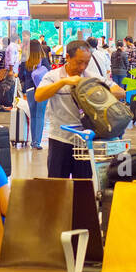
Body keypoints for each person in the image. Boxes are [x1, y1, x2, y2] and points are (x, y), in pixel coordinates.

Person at [35, 39, 126, 179]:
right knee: (57, 187)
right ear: (68, 57)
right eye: (79, 62)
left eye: (86, 62)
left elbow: (120, 92)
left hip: (86, 141)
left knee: (84, 188)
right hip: (60, 140)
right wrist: (63, 82)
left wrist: (94, 91)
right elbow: (39, 96)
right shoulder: (52, 76)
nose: (83, 67)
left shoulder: (92, 77)